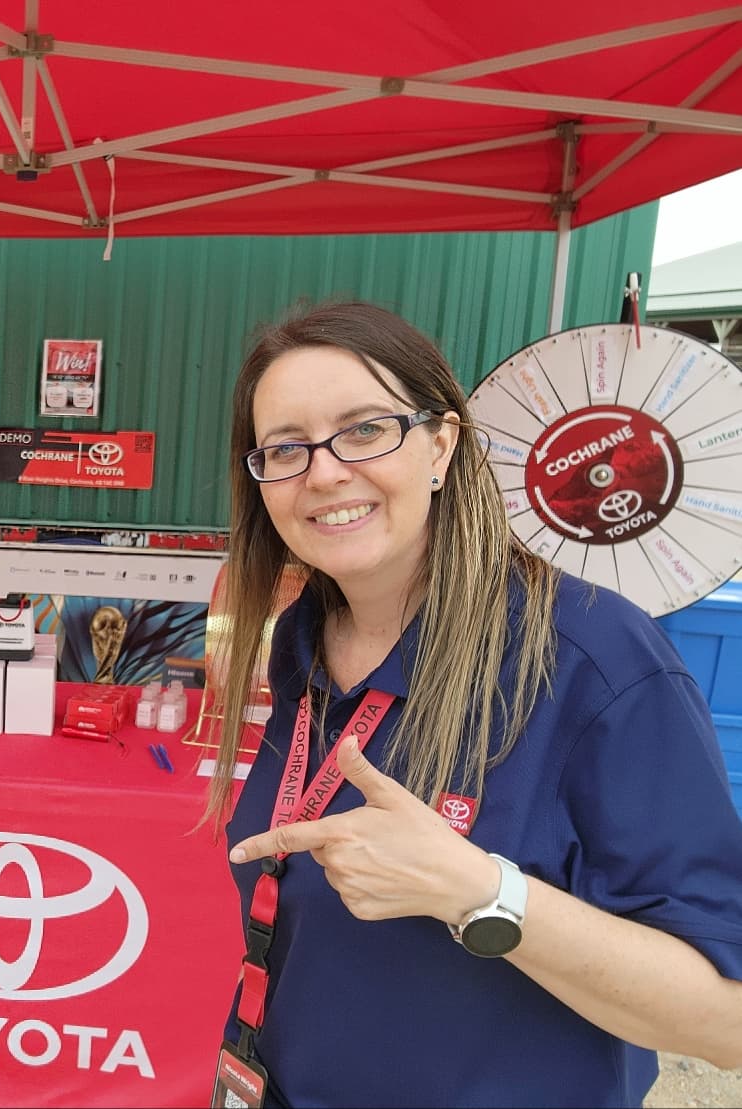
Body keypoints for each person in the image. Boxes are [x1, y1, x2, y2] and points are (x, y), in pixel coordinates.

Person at [206, 301, 742, 1107]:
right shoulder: (302, 642)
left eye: (364, 430)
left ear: (442, 445)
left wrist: (483, 893)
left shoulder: (593, 658)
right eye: (286, 448)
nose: (322, 473)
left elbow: (724, 1019)